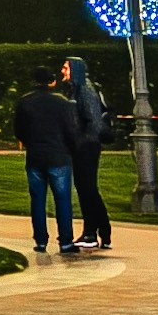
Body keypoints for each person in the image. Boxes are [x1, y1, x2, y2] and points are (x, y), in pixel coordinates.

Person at [14, 66, 83, 257]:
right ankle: (66, 241)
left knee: (37, 200)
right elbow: (71, 130)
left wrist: (30, 142)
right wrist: (72, 149)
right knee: (62, 200)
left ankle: (41, 240)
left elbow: (19, 129)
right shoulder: (62, 103)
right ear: (52, 81)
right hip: (59, 155)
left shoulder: (25, 102)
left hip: (36, 156)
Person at [64, 52, 113, 247]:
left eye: (66, 68)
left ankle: (98, 230)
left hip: (86, 146)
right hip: (84, 145)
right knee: (86, 189)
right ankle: (94, 231)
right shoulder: (78, 90)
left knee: (87, 188)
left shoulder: (84, 91)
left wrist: (81, 140)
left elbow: (93, 120)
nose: (62, 71)